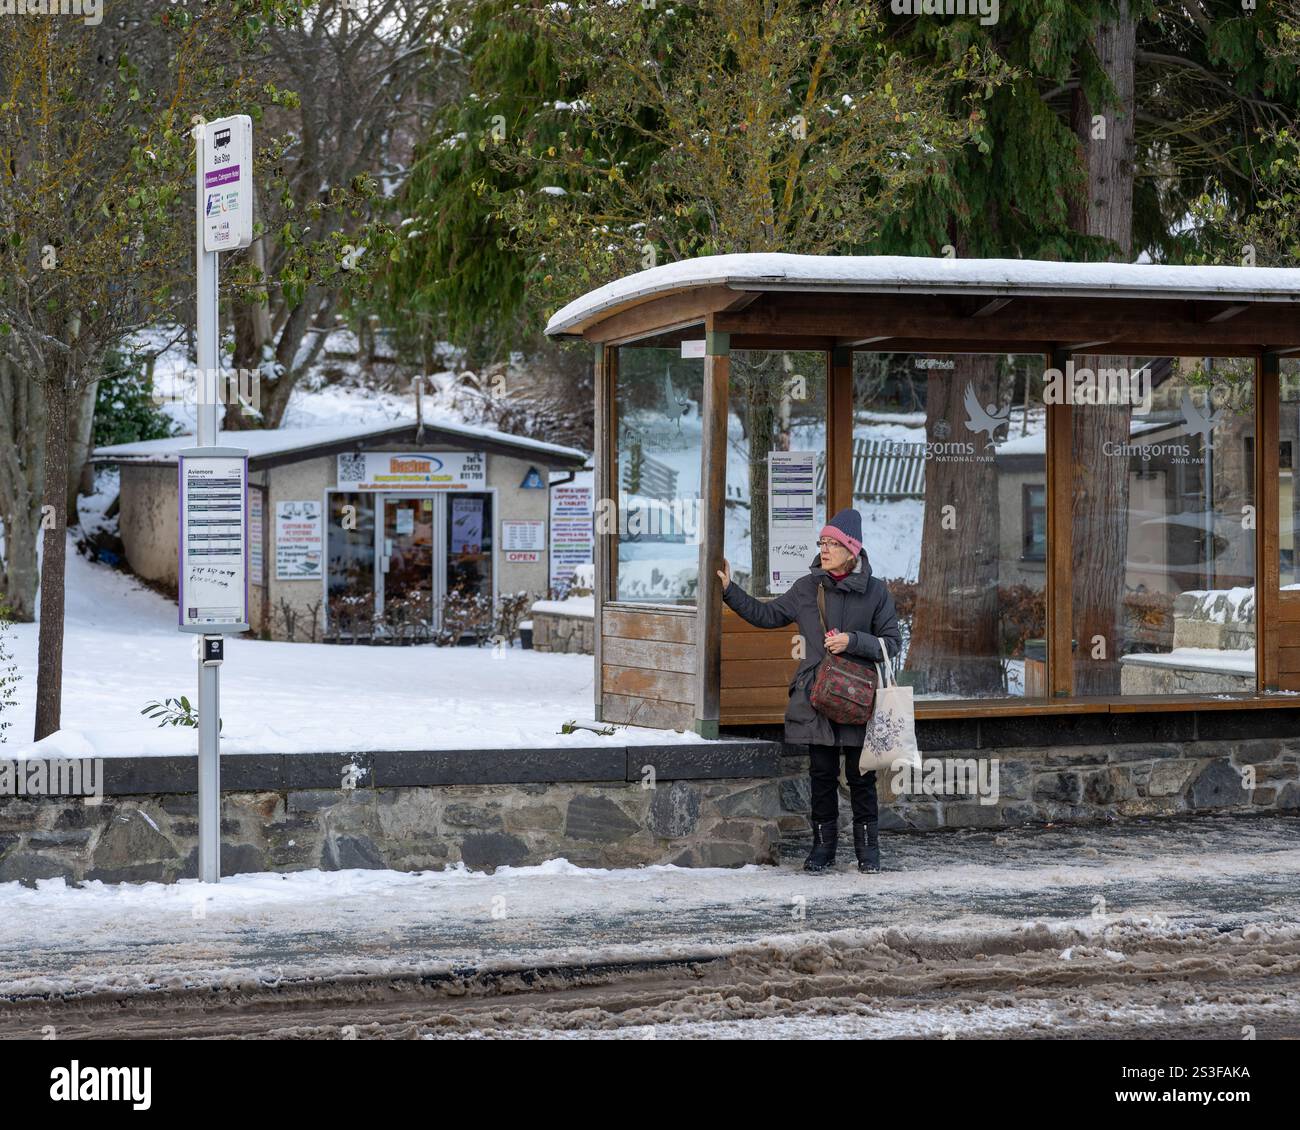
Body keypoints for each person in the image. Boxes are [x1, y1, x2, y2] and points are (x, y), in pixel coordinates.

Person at [717, 508, 901, 873]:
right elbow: (767, 616)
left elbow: (892, 643)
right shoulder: (807, 587)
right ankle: (822, 851)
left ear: (852, 550)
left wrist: (853, 641)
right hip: (817, 698)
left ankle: (869, 853)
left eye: (833, 543)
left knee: (861, 779)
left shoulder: (876, 591)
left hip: (858, 700)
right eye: (822, 542)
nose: (825, 548)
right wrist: (728, 591)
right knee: (820, 777)